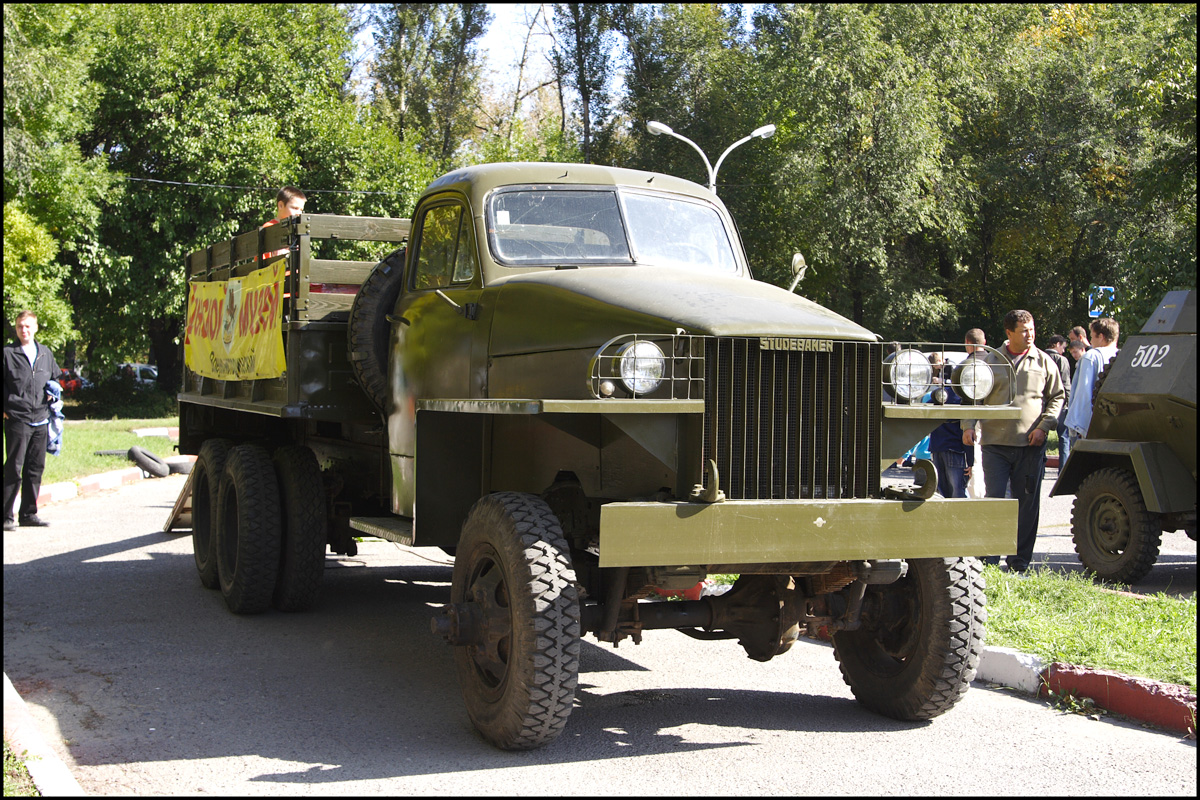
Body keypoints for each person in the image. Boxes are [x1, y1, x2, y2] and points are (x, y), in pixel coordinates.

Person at [962, 310, 1065, 572]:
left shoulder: (1043, 361)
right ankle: (989, 559)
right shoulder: (989, 361)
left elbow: (1057, 397)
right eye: (1024, 330)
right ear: (1009, 333)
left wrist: (1044, 426)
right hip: (995, 444)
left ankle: (1019, 562)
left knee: (1026, 504)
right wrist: (968, 425)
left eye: (1032, 329)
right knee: (994, 502)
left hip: (1030, 445)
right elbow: (973, 396)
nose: (1030, 335)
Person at [4, 310, 62, 531]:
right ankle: (6, 517)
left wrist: (53, 393)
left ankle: (28, 514)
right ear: (16, 328)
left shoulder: (45, 353)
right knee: (14, 468)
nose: (24, 330)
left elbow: (55, 379)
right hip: (17, 418)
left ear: (36, 328)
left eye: (28, 326)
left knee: (35, 468)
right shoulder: (8, 353)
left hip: (41, 418)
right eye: (20, 326)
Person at [1063, 317, 1120, 454]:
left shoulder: (1091, 356)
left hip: (1091, 427)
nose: (1091, 341)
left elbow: (1084, 393)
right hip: (1115, 424)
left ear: (1101, 336)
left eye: (1092, 336)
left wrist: (1079, 426)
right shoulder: (1123, 355)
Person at [962, 328, 988, 498]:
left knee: (975, 461)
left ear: (967, 343)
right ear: (984, 342)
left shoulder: (966, 365)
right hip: (994, 416)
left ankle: (977, 497)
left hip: (972, 417)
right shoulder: (996, 361)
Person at [1043, 335, 1072, 462]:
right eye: (1063, 347)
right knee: (1064, 438)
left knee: (1041, 437)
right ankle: (1063, 469)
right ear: (1057, 344)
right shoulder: (1061, 360)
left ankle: (1040, 469)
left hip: (1042, 404)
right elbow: (1066, 384)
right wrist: (1068, 402)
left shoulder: (1040, 357)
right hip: (1060, 404)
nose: (1063, 350)